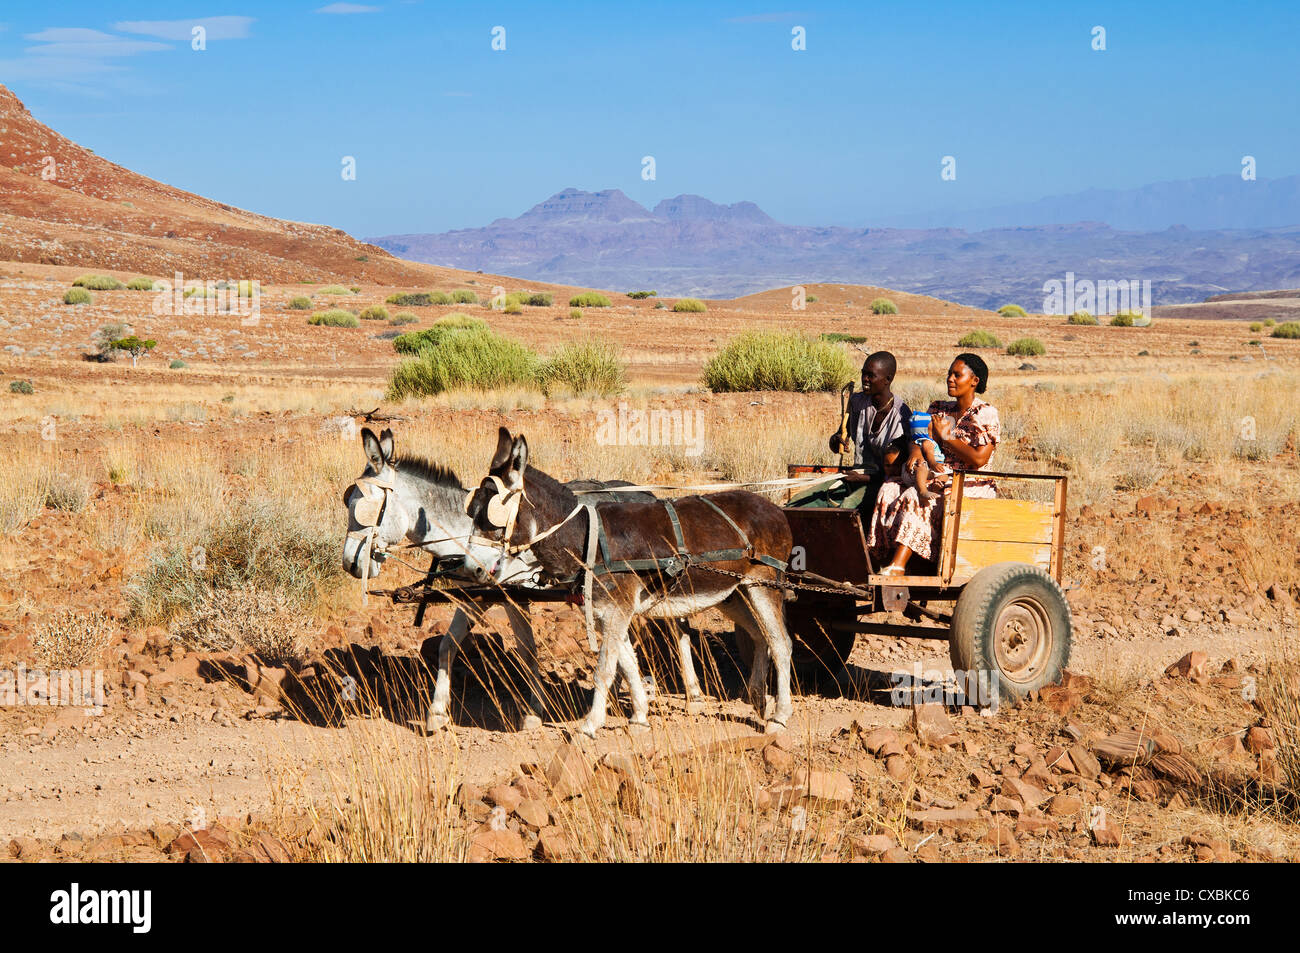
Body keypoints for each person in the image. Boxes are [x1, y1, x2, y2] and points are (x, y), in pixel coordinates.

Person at [869, 352, 1001, 575]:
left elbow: (980, 459)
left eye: (957, 375)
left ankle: (900, 564)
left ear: (974, 381)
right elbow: (918, 439)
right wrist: (917, 452)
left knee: (914, 496)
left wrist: (948, 436)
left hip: (969, 483)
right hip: (936, 475)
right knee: (889, 489)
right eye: (949, 374)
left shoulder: (984, 413)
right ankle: (879, 557)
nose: (950, 379)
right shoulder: (939, 409)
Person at [828, 351, 912, 491]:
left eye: (871, 375)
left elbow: (896, 472)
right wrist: (836, 441)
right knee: (803, 501)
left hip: (886, 485)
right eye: (863, 373)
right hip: (857, 477)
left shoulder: (900, 416)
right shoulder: (857, 402)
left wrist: (862, 479)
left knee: (845, 506)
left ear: (888, 379)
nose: (864, 379)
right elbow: (837, 442)